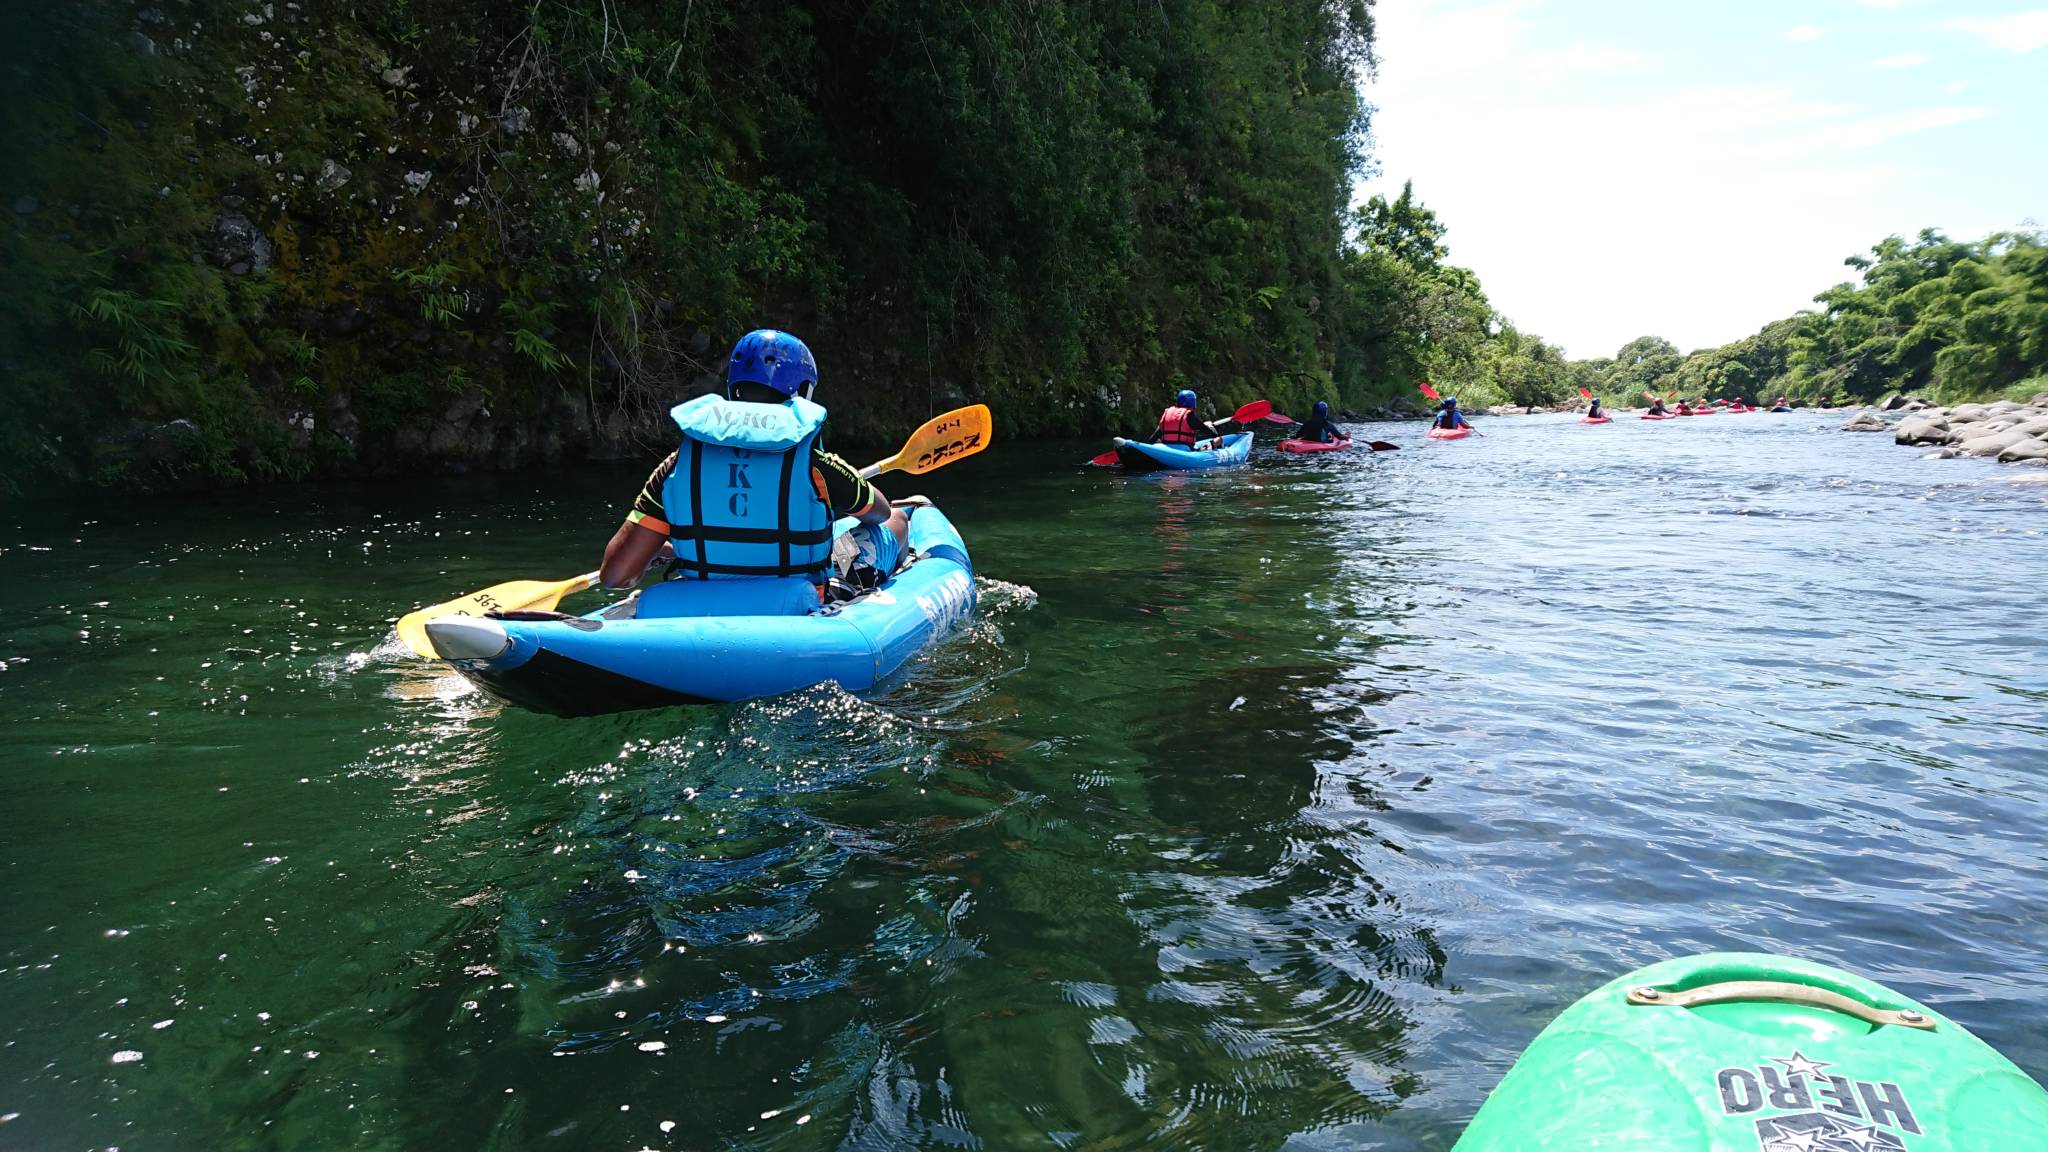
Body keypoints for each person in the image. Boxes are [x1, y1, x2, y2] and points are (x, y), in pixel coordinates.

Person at [597, 329, 909, 601]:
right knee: (896, 520)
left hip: (704, 602)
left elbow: (616, 575)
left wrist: (668, 548)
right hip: (801, 604)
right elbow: (879, 513)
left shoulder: (677, 466)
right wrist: (845, 484)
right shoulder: (817, 464)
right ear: (802, 392)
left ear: (733, 387)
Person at [1154, 388, 1225, 449]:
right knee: (1219, 439)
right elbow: (1212, 434)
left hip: (1166, 449)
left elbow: (1153, 438)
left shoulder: (1167, 415)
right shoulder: (1189, 416)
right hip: (1184, 450)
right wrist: (1211, 427)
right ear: (1193, 403)